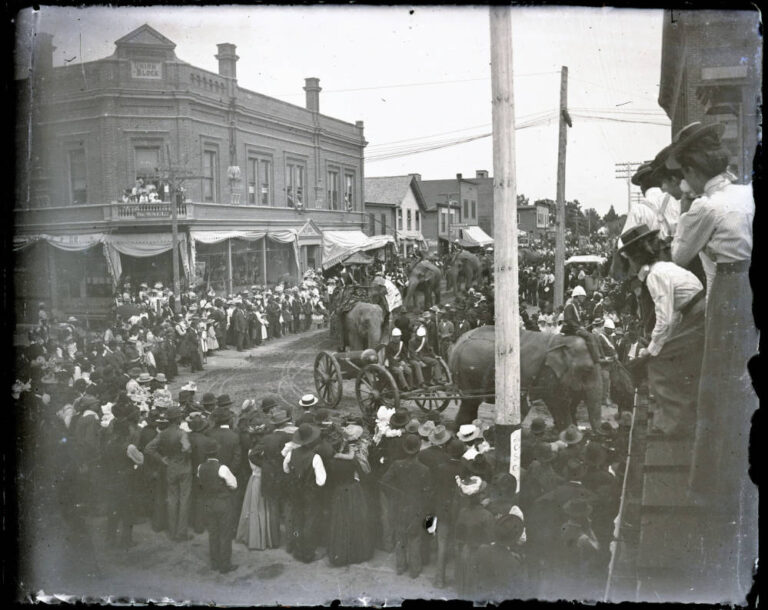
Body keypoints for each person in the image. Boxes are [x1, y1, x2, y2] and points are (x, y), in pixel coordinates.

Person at [665, 121, 757, 599]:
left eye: (684, 175)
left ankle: (712, 486)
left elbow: (680, 254)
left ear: (695, 172)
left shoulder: (704, 206)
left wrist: (686, 205)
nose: (683, 183)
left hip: (732, 295)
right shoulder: (747, 194)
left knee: (717, 388)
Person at [380, 433, 432, 578]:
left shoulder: (397, 465)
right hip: (416, 507)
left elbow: (384, 482)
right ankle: (414, 569)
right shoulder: (424, 469)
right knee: (415, 538)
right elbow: (428, 493)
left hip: (399, 505)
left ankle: (400, 566)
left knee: (400, 536)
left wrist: (394, 495)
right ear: (418, 449)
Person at [143, 405, 193, 541]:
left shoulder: (162, 434)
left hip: (170, 466)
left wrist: (161, 458)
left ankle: (172, 531)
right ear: (178, 419)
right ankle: (181, 532)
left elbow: (148, 448)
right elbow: (187, 448)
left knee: (172, 499)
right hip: (183, 466)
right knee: (184, 499)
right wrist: (184, 455)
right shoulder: (182, 433)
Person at [197, 438, 239, 573]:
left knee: (213, 532)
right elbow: (233, 485)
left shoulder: (200, 467)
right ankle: (225, 564)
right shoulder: (222, 468)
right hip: (222, 502)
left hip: (208, 502)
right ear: (217, 452)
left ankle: (214, 562)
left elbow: (200, 483)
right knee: (225, 533)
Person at [235, 445, 279, 551]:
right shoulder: (263, 452)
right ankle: (263, 538)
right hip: (261, 480)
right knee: (261, 508)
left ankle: (255, 538)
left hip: (256, 480)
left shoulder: (252, 453)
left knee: (255, 507)